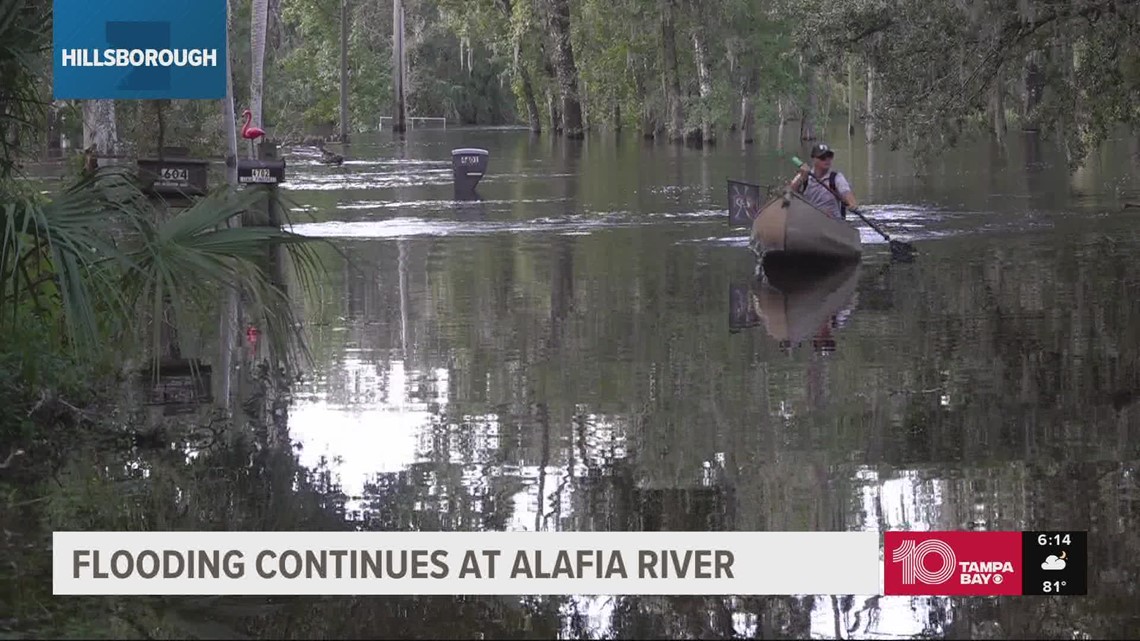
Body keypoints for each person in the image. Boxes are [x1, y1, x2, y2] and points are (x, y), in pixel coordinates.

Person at [789, 143, 858, 220]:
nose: (827, 160)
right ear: (814, 159)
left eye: (829, 156)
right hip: (809, 220)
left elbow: (846, 193)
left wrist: (852, 203)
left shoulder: (836, 177)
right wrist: (802, 178)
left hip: (832, 221)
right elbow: (789, 193)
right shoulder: (804, 175)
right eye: (822, 157)